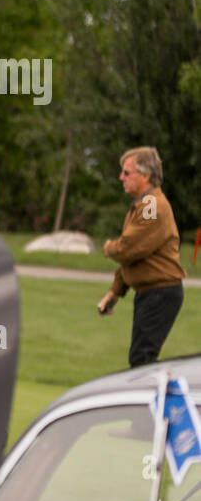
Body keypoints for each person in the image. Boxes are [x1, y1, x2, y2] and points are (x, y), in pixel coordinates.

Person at [98, 146, 186, 367]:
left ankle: (173, 389)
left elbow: (129, 248)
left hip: (160, 293)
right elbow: (133, 259)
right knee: (141, 359)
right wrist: (114, 292)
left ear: (145, 175)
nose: (121, 177)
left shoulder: (151, 206)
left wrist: (108, 247)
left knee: (142, 361)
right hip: (151, 293)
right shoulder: (143, 205)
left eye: (127, 173)